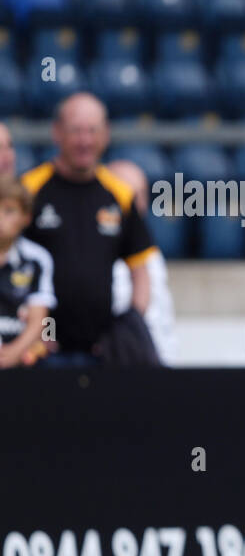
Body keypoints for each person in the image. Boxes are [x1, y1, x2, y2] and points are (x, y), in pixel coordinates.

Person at [20, 93, 158, 366]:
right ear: (57, 133)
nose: (85, 141)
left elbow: (140, 270)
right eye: (76, 131)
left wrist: (128, 327)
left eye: (92, 131)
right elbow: (9, 263)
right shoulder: (29, 191)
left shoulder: (119, 195)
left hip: (101, 352)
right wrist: (30, 330)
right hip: (40, 353)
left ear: (105, 135)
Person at [106, 159, 177, 364]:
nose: (136, 205)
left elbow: (162, 323)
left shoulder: (151, 254)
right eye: (126, 195)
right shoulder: (86, 247)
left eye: (140, 196)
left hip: (153, 366)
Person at [0, 177, 56, 367]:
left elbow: (39, 317)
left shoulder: (37, 258)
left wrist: (16, 351)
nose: (0, 218)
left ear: (26, 217)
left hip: (22, 360)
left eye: (9, 211)